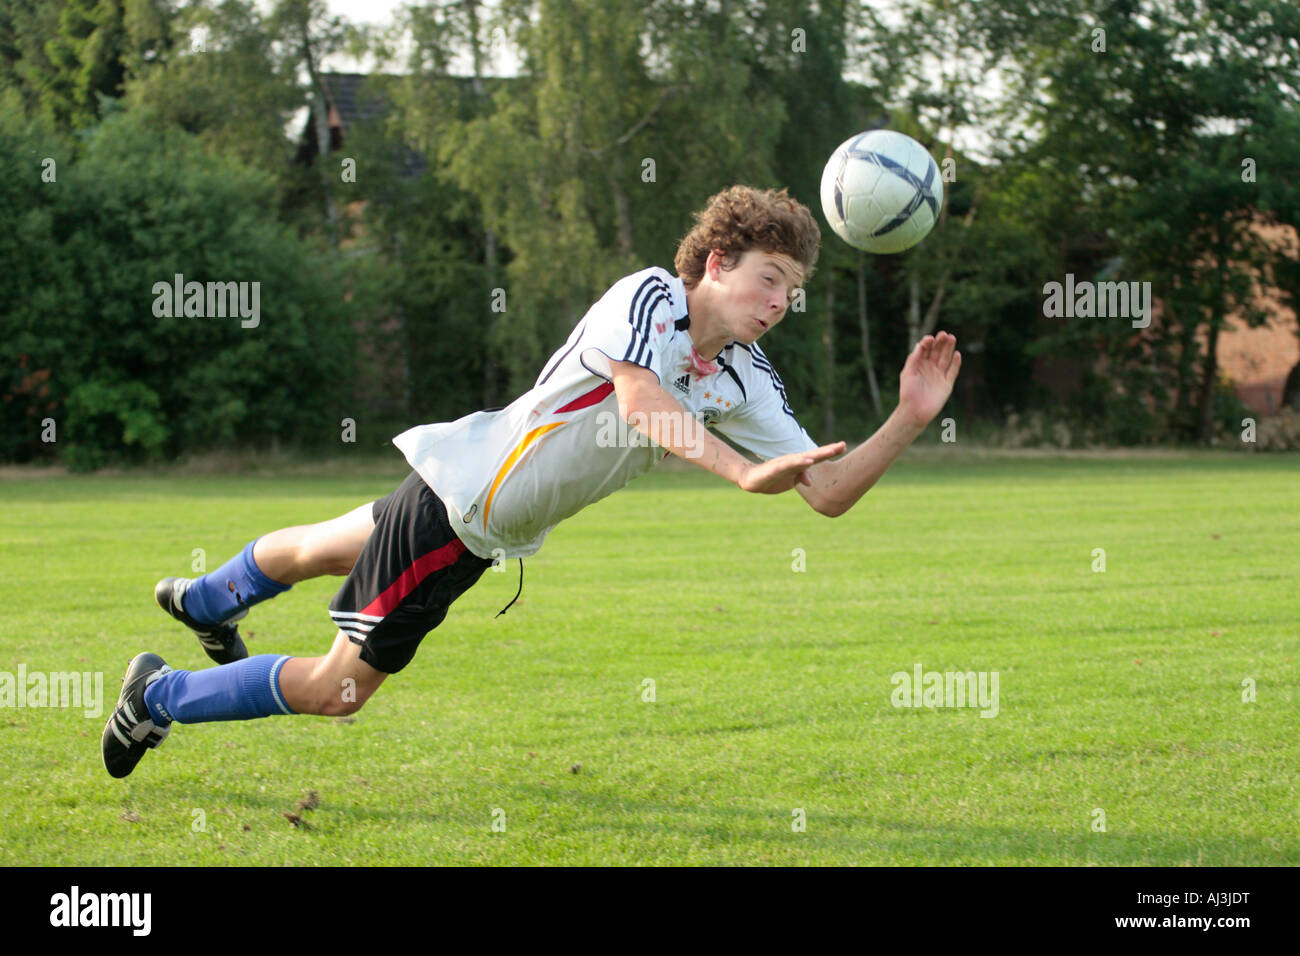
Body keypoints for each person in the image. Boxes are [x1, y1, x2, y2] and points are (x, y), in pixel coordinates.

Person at [102, 184, 961, 778]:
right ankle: (157, 696)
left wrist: (909, 418)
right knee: (338, 692)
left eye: (792, 291)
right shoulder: (651, 298)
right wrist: (740, 470)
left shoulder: (745, 375)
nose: (778, 302)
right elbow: (639, 400)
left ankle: (206, 601)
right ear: (717, 262)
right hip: (461, 517)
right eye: (769, 279)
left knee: (320, 549)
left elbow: (825, 491)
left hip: (465, 497)